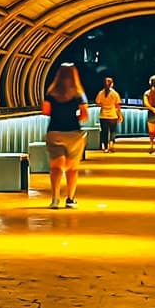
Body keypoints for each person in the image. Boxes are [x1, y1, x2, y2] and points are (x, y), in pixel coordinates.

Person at [42, 62, 89, 208]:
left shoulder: (51, 92)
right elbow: (84, 116)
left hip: (54, 132)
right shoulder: (79, 94)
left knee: (56, 167)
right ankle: (70, 198)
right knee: (72, 168)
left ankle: (55, 199)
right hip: (73, 134)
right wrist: (73, 116)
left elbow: (46, 111)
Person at [95, 76, 122, 151]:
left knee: (104, 132)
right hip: (112, 115)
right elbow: (117, 105)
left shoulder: (101, 93)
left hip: (103, 115)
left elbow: (97, 102)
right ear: (112, 84)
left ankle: (106, 147)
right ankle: (111, 143)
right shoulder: (115, 93)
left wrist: (103, 105)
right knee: (113, 131)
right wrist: (120, 115)